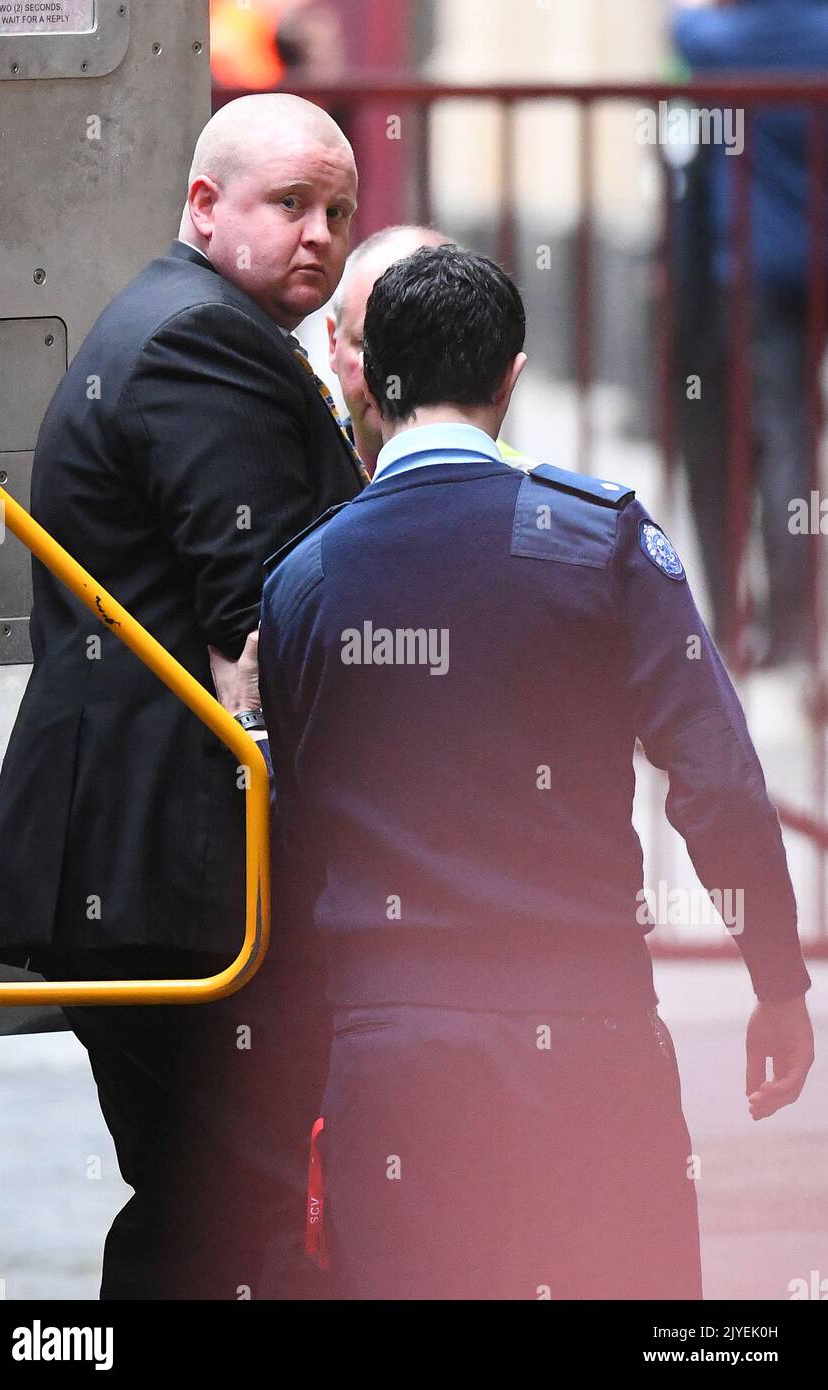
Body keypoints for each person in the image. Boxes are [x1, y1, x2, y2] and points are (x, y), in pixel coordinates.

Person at [258, 245, 815, 1300]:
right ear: (510, 376)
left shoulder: (302, 579)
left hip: (390, 1046)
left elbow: (296, 820)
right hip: (583, 1029)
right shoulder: (596, 544)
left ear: (370, 382)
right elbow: (719, 783)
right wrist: (777, 982)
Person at [0, 93, 364, 1299]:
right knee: (228, 1204)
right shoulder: (204, 341)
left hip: (151, 862)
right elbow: (265, 607)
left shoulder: (188, 322)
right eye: (288, 204)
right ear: (205, 205)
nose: (319, 234)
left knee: (205, 1196)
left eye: (339, 211)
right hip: (177, 868)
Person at [672, 0, 828, 667]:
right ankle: (789, 618)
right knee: (795, 424)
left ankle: (782, 625)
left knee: (778, 430)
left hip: (758, 265)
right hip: (811, 258)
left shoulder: (726, 36)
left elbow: (681, 25)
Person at [327, 222, 533, 476]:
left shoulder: (527, 491)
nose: (403, 375)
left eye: (433, 343)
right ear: (332, 343)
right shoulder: (294, 492)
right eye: (367, 343)